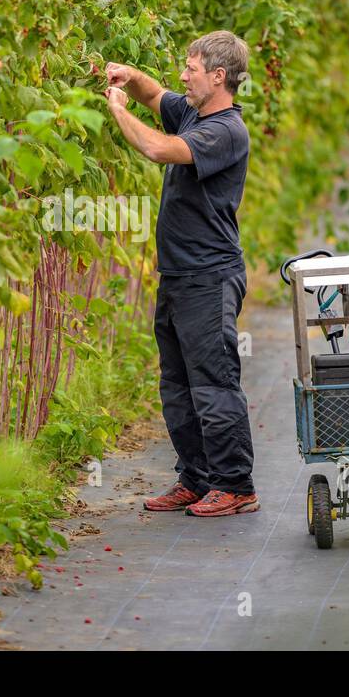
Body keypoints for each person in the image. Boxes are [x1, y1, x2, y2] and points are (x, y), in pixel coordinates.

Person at [103, 30, 258, 517]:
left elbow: (158, 150)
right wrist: (129, 78)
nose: (182, 76)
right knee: (179, 386)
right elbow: (153, 94)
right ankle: (196, 478)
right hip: (178, 276)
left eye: (190, 69)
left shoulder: (225, 131)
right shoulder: (193, 111)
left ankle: (236, 485)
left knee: (213, 383)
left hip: (209, 278)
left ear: (218, 76)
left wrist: (119, 112)